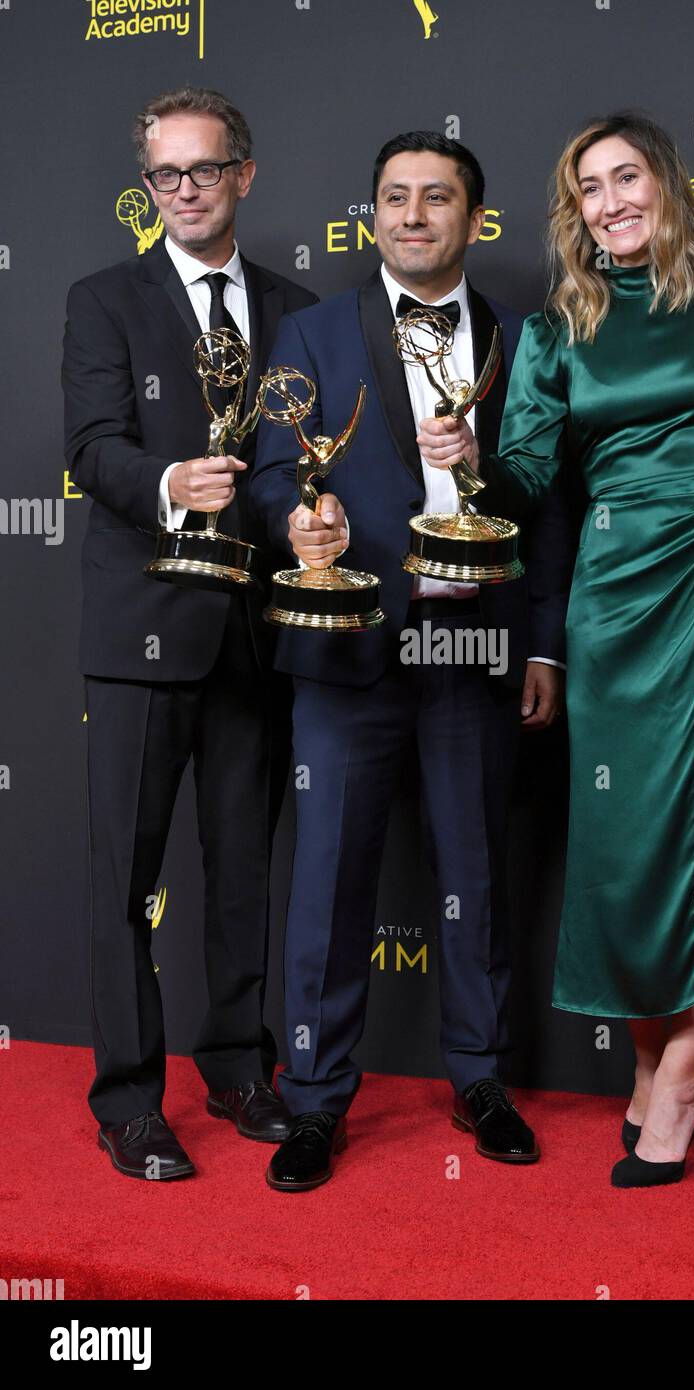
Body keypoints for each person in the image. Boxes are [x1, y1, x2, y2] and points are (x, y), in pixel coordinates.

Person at [419, 111, 694, 1188]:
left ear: (664, 187)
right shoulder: (551, 332)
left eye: (627, 178)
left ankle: (681, 1072)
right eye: (589, 187)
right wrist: (468, 466)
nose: (612, 201)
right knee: (629, 846)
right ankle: (645, 1053)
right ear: (572, 210)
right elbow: (529, 481)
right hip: (609, 599)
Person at [250, 131, 575, 1191]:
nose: (412, 215)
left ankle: (480, 1079)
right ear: (372, 214)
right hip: (345, 643)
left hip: (474, 650)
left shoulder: (527, 342)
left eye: (436, 199)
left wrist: (543, 644)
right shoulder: (306, 333)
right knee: (327, 878)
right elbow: (264, 477)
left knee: (475, 875)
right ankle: (311, 1102)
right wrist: (297, 525)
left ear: (472, 220)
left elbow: (552, 504)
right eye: (393, 197)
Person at [62, 86, 317, 1180]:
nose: (183, 191)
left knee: (242, 873)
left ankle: (238, 1066)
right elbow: (92, 447)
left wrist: (312, 513)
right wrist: (170, 480)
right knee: (126, 876)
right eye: (164, 175)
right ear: (147, 186)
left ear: (243, 175)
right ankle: (128, 1099)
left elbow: (305, 460)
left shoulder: (297, 307)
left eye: (204, 170)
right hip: (141, 633)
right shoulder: (101, 298)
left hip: (256, 634)